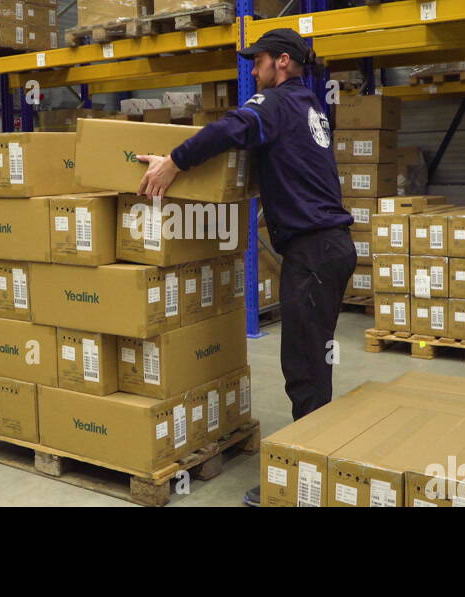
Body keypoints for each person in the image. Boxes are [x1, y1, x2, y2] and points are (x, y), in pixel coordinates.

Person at [136, 28, 356, 507]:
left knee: (304, 368)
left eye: (256, 62)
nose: (251, 70)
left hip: (315, 253)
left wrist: (174, 161)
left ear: (280, 62)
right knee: (313, 361)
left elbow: (229, 129)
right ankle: (315, 462)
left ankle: (306, 483)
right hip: (329, 248)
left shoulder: (275, 103)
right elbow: (284, 165)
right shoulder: (311, 106)